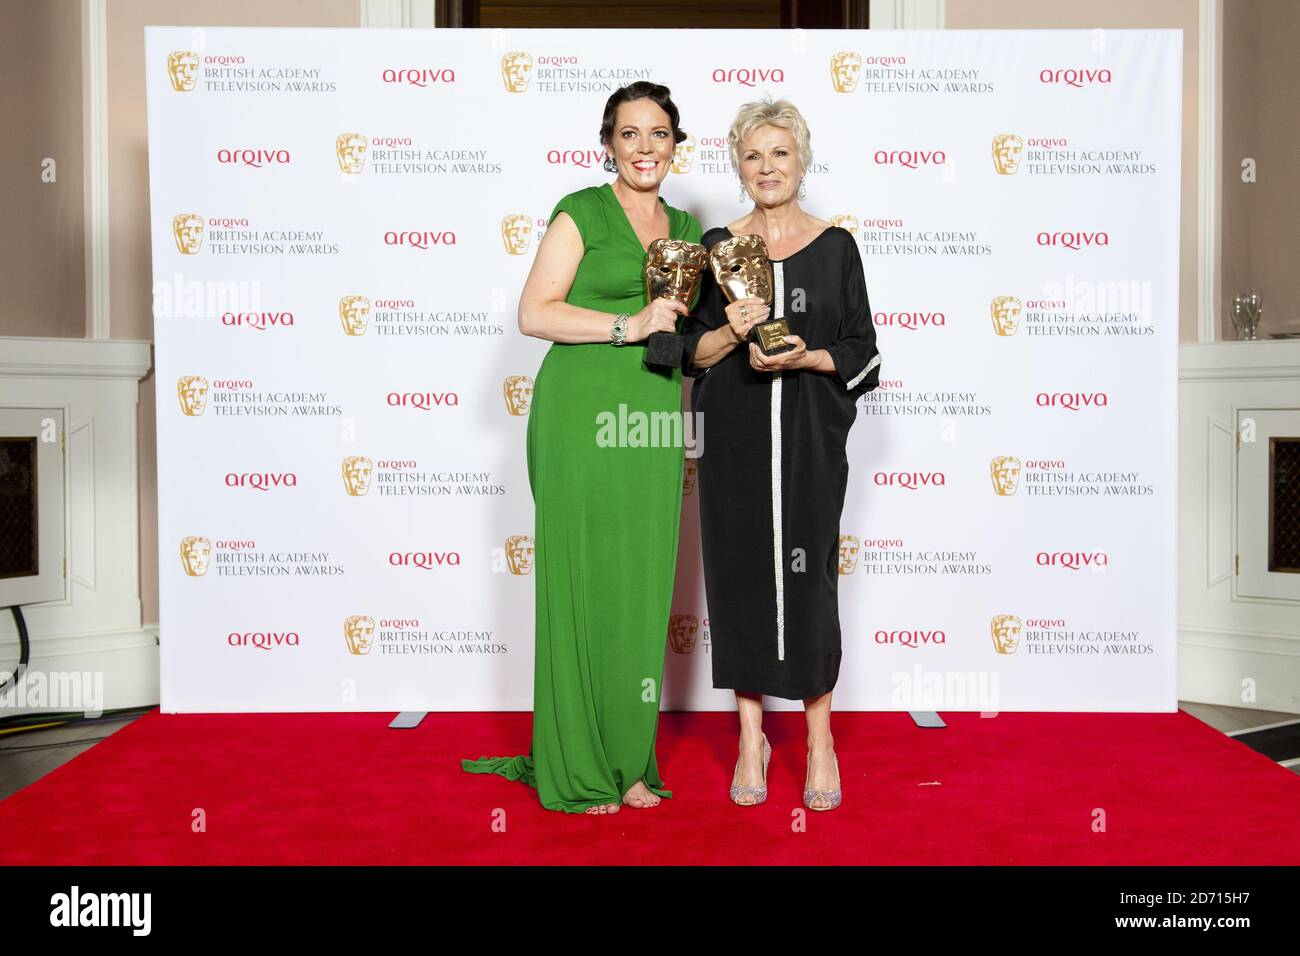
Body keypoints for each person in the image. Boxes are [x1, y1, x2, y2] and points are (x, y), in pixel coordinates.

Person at [462, 82, 703, 814]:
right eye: (629, 134)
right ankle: (576, 767)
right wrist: (627, 325)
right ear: (608, 144)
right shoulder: (581, 210)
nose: (643, 148)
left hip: (652, 416)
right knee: (583, 584)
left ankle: (628, 761)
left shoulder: (687, 224)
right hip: (579, 413)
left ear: (674, 145)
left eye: (658, 134)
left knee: (638, 587)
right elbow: (535, 313)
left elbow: (686, 334)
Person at [681, 96, 881, 811]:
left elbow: (865, 352)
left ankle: (819, 738)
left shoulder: (836, 248)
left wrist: (808, 356)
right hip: (733, 438)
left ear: (803, 159)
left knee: (810, 581)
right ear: (738, 166)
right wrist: (732, 333)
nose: (767, 167)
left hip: (808, 440)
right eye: (752, 155)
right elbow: (687, 353)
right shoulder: (716, 247)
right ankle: (749, 737)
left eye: (780, 153)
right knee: (736, 579)